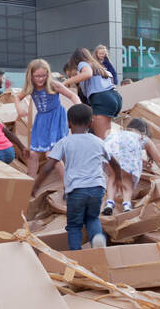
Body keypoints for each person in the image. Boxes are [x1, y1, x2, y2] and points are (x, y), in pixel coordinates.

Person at [32, 103, 121, 251]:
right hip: (97, 188)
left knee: (74, 225)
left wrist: (36, 186)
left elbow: (48, 166)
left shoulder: (64, 142)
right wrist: (118, 178)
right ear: (91, 123)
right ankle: (97, 237)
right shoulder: (98, 141)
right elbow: (115, 163)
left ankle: (77, 255)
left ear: (68, 123)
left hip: (76, 190)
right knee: (92, 218)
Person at [16, 59, 79, 173]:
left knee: (51, 155)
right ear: (31, 76)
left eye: (43, 75)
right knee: (33, 154)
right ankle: (31, 184)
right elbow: (17, 97)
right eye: (37, 76)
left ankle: (67, 184)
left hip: (56, 119)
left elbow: (72, 96)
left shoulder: (54, 85)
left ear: (48, 74)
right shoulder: (31, 88)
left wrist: (79, 109)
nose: (40, 79)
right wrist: (19, 109)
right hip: (41, 121)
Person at [102, 117, 160, 214]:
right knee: (126, 178)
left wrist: (140, 160)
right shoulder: (143, 138)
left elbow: (123, 149)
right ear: (144, 130)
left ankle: (109, 203)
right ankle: (126, 204)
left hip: (110, 151)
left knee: (113, 176)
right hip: (126, 158)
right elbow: (159, 160)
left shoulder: (119, 133)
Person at [62, 47, 121, 139]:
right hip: (115, 97)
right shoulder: (98, 67)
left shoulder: (82, 63)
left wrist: (66, 82)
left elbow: (87, 74)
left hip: (102, 99)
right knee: (107, 136)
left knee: (102, 140)